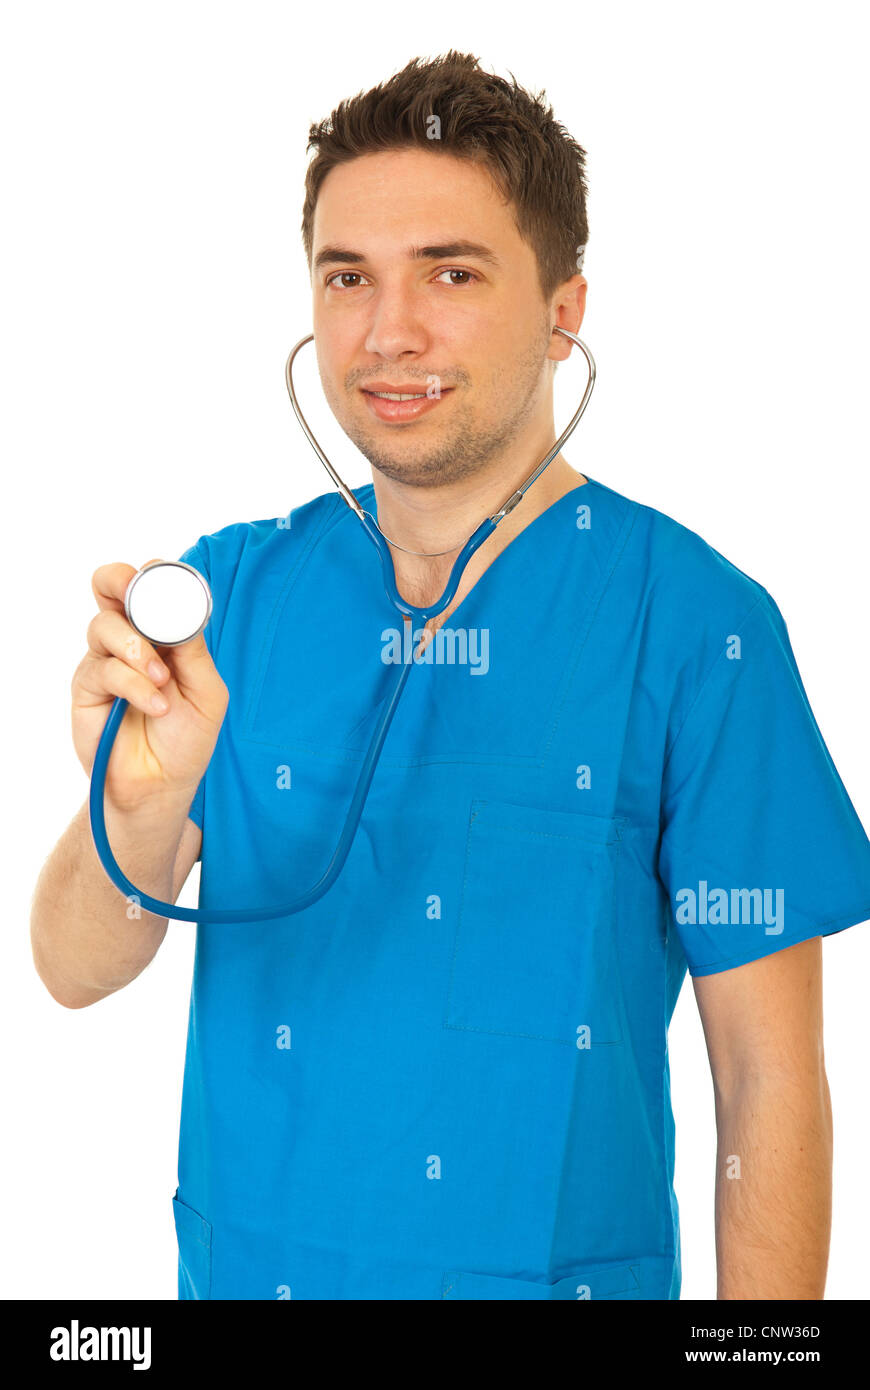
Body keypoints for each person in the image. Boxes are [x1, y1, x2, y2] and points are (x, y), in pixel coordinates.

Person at [31, 51, 870, 1302]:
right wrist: (142, 809)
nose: (390, 333)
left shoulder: (699, 626)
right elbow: (71, 969)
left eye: (453, 272)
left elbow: (767, 1080)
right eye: (348, 277)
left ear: (563, 309)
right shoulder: (226, 605)